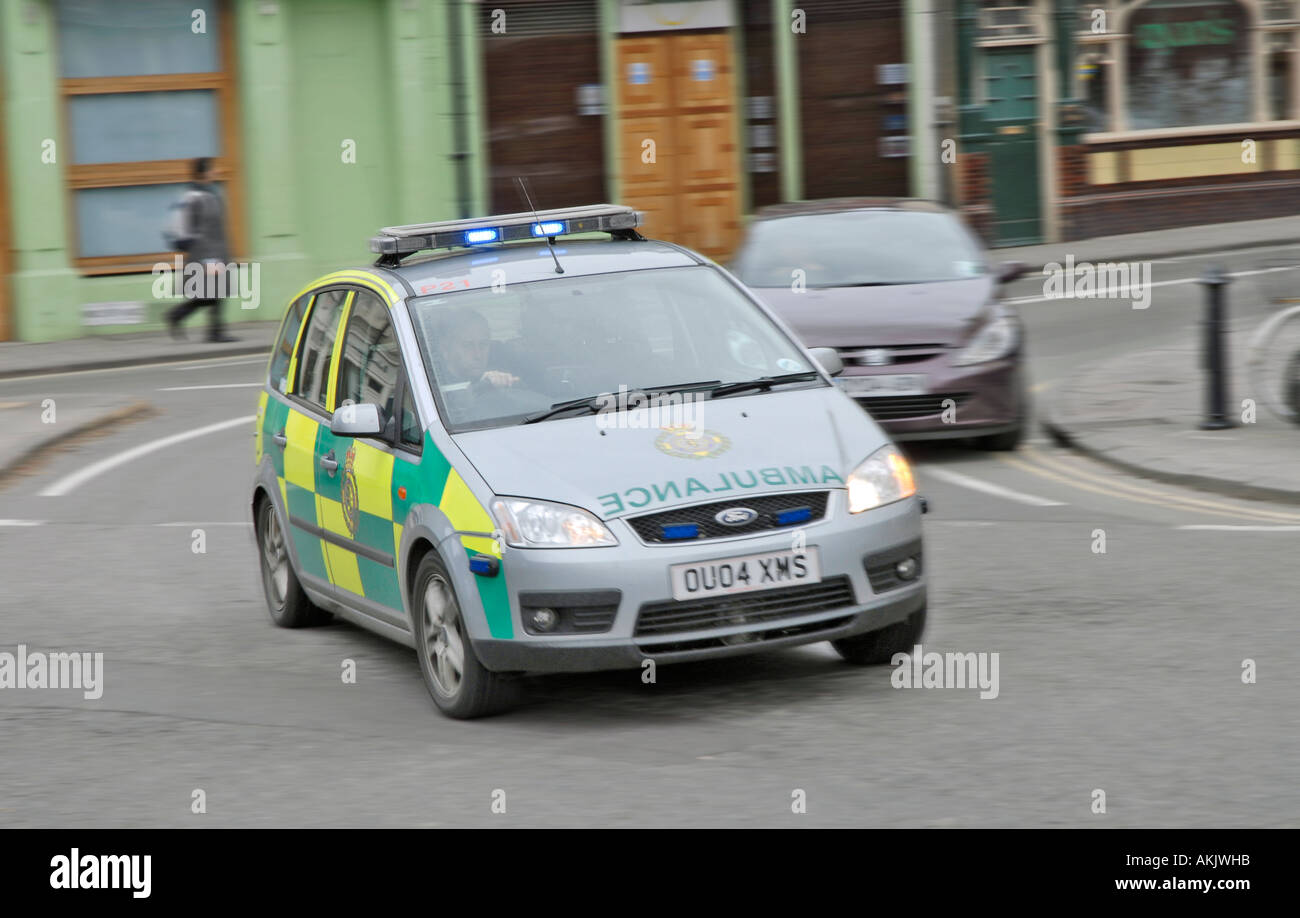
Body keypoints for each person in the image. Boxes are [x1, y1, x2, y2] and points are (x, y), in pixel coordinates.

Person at [165, 157, 237, 342]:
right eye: (212, 170)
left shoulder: (209, 193)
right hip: (207, 253)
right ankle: (214, 331)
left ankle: (177, 316)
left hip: (214, 251)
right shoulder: (194, 197)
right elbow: (191, 229)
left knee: (210, 295)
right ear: (203, 173)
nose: (215, 173)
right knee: (215, 292)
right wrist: (207, 256)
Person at [437, 308, 517, 391]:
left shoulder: (503, 375)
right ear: (445, 350)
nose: (478, 355)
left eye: (483, 344)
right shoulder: (433, 386)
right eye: (467, 345)